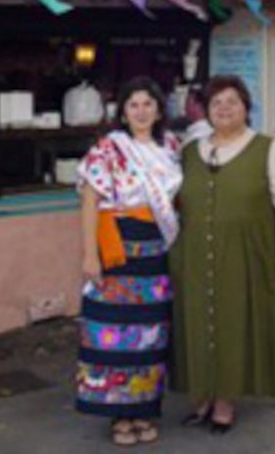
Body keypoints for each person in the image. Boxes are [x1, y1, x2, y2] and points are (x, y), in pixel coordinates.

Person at [170, 74, 275, 434]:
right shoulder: (189, 152)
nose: (224, 109)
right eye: (216, 103)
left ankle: (225, 403)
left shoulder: (268, 149)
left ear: (246, 107)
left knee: (235, 323)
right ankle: (201, 397)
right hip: (195, 255)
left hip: (248, 254)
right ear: (206, 111)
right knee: (197, 323)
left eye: (232, 102)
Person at [75, 76, 182, 447]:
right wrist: (91, 254)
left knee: (150, 335)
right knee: (115, 336)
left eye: (148, 104)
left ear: (158, 109)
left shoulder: (171, 147)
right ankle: (120, 414)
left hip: (156, 252)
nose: (141, 111)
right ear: (122, 111)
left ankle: (146, 408)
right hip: (117, 249)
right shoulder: (107, 149)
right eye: (133, 105)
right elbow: (90, 201)